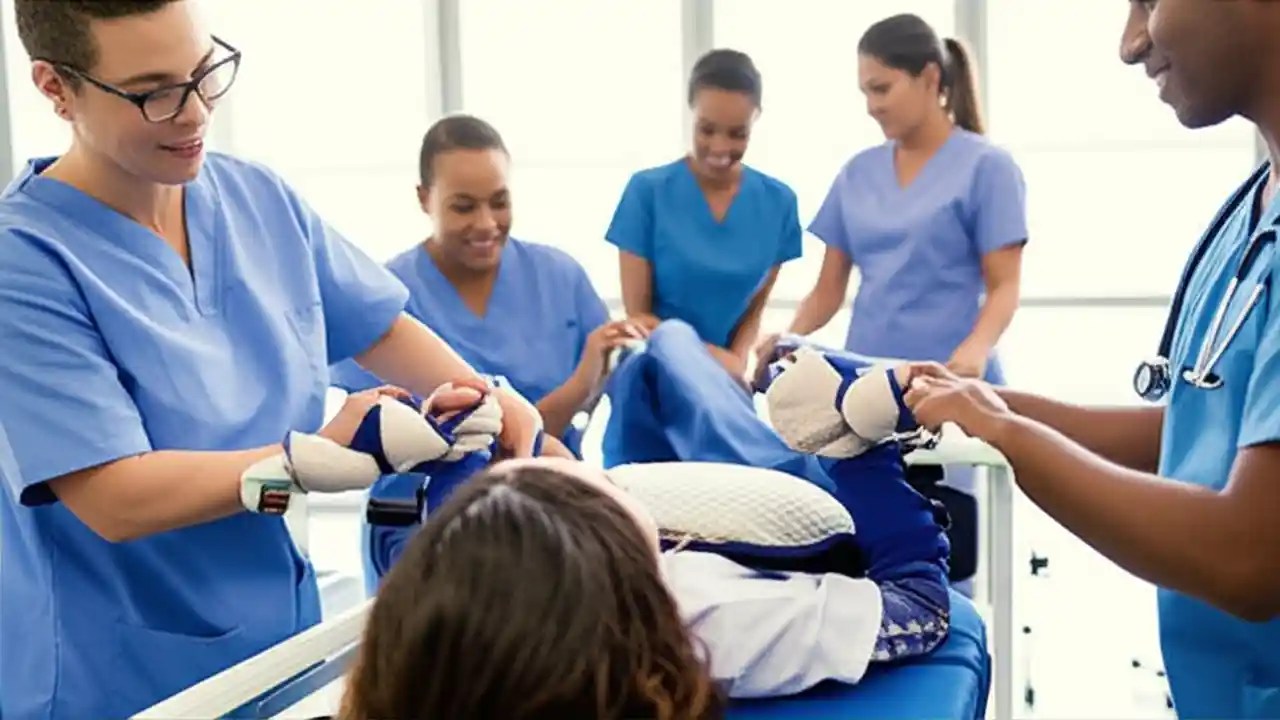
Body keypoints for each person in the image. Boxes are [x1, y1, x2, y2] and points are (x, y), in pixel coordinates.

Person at [0, 3, 541, 718]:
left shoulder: (256, 199)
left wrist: (487, 398)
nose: (195, 113)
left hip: (277, 636)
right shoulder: (26, 261)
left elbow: (380, 328)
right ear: (55, 88)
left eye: (204, 72)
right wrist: (305, 457)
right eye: (155, 91)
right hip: (117, 667)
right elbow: (115, 499)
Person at [902, 2, 1280, 717]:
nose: (1130, 43)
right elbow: (1197, 430)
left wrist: (1014, 439)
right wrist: (989, 408)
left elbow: (1251, 557)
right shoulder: (1254, 206)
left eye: (1148, 2)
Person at [341, 447, 951, 719]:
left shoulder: (453, 611)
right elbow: (922, 612)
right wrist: (866, 462)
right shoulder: (706, 616)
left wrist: (461, 455)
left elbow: (491, 545)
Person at [756, 13, 1028, 596]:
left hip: (952, 388)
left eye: (881, 88)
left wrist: (973, 353)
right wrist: (787, 335)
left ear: (930, 78)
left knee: (954, 558)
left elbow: (1004, 284)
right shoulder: (857, 174)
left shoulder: (987, 167)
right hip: (871, 392)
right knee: (873, 549)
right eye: (864, 92)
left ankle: (961, 664)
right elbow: (829, 290)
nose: (871, 105)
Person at [330, 114, 643, 456]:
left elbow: (609, 400)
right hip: (423, 503)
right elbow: (394, 439)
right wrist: (579, 384)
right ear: (424, 199)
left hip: (551, 491)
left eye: (499, 202)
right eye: (463, 207)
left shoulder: (560, 277)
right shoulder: (385, 298)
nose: (486, 223)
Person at [605, 48, 803, 384]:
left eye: (737, 133)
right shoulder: (647, 192)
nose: (720, 147)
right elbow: (639, 319)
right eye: (707, 130)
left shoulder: (778, 202)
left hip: (728, 385)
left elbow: (754, 309)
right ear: (690, 113)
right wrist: (720, 361)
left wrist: (738, 363)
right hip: (658, 377)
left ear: (756, 119)